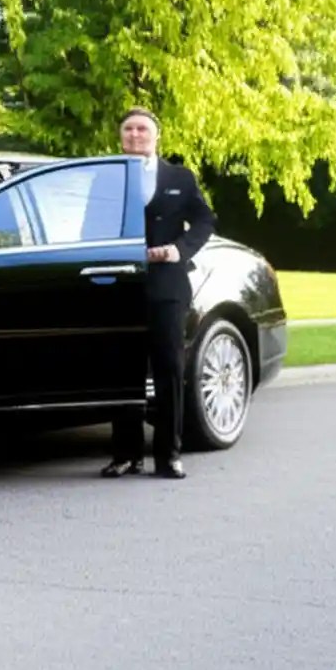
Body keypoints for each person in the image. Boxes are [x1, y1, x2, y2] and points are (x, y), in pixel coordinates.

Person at [101, 107, 215, 480]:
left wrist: (179, 249)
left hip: (166, 286)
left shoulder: (180, 177)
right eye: (129, 129)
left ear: (155, 136)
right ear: (121, 136)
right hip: (121, 286)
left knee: (168, 370)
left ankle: (169, 456)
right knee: (122, 371)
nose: (135, 135)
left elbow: (205, 219)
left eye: (142, 129)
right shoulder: (107, 177)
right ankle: (125, 455)